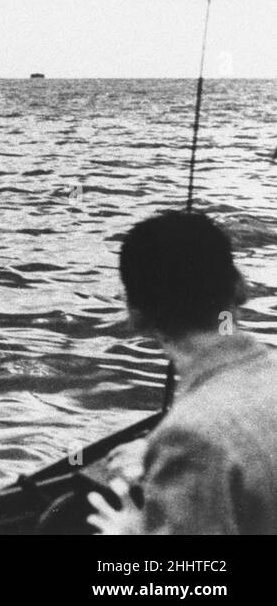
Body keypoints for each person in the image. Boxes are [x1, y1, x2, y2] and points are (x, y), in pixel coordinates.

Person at [89, 210, 277, 534]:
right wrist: (159, 453)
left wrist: (134, 532)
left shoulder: (190, 435)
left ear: (136, 315)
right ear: (241, 287)